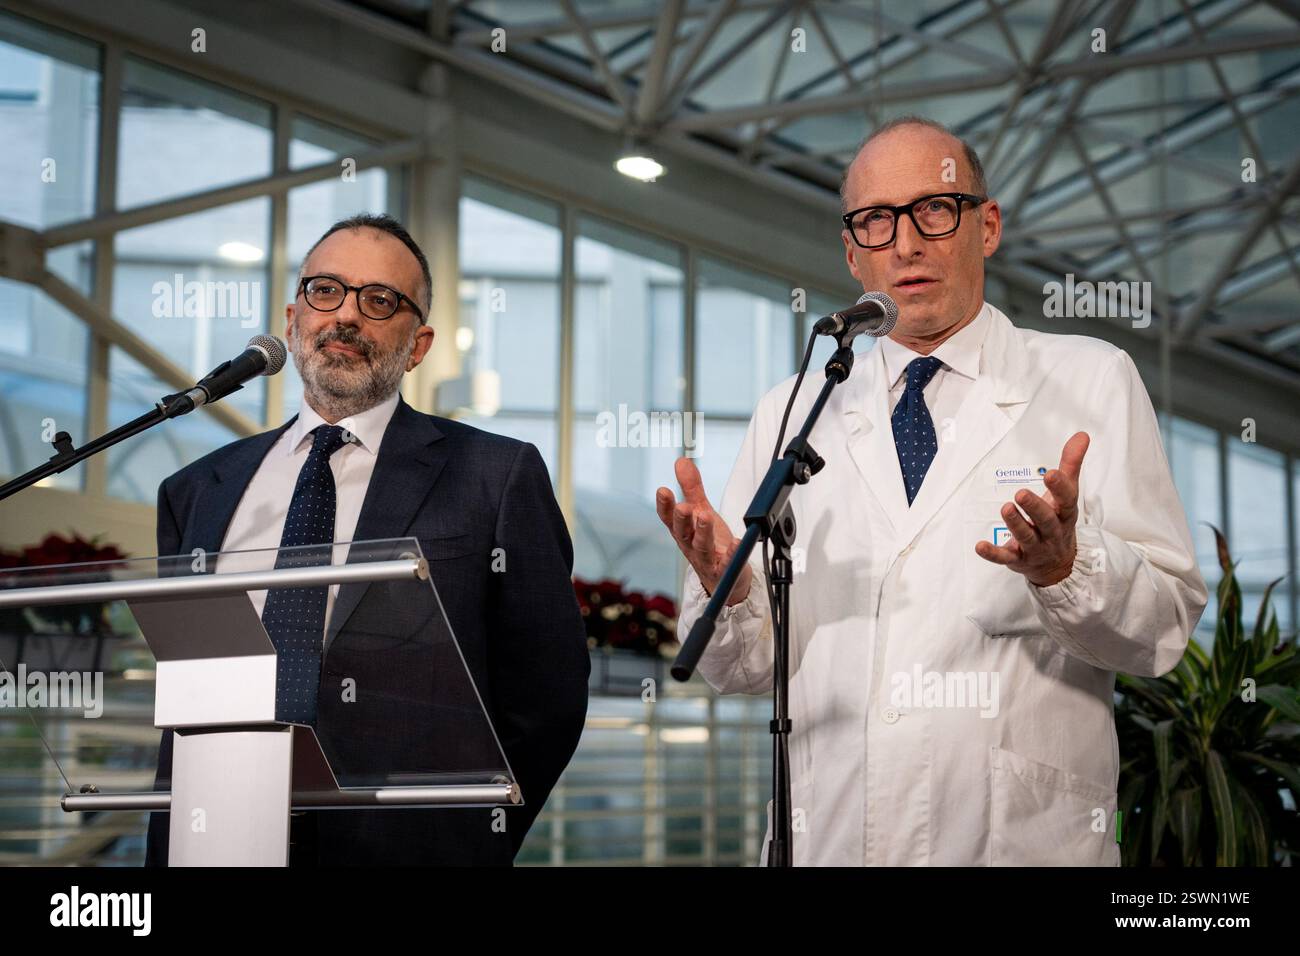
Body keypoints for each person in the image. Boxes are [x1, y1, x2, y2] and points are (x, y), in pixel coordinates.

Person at [656, 117, 1207, 866]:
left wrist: (1065, 568)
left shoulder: (1090, 381)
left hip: (1019, 845)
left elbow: (1164, 630)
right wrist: (732, 590)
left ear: (987, 226)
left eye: (933, 211)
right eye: (876, 222)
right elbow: (744, 671)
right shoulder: (794, 413)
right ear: (852, 253)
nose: (906, 244)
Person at [145, 213, 589, 866]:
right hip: (212, 843)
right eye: (327, 291)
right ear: (293, 317)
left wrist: (470, 836)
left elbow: (546, 699)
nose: (347, 316)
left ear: (419, 343)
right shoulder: (197, 489)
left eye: (380, 300)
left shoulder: (494, 475)